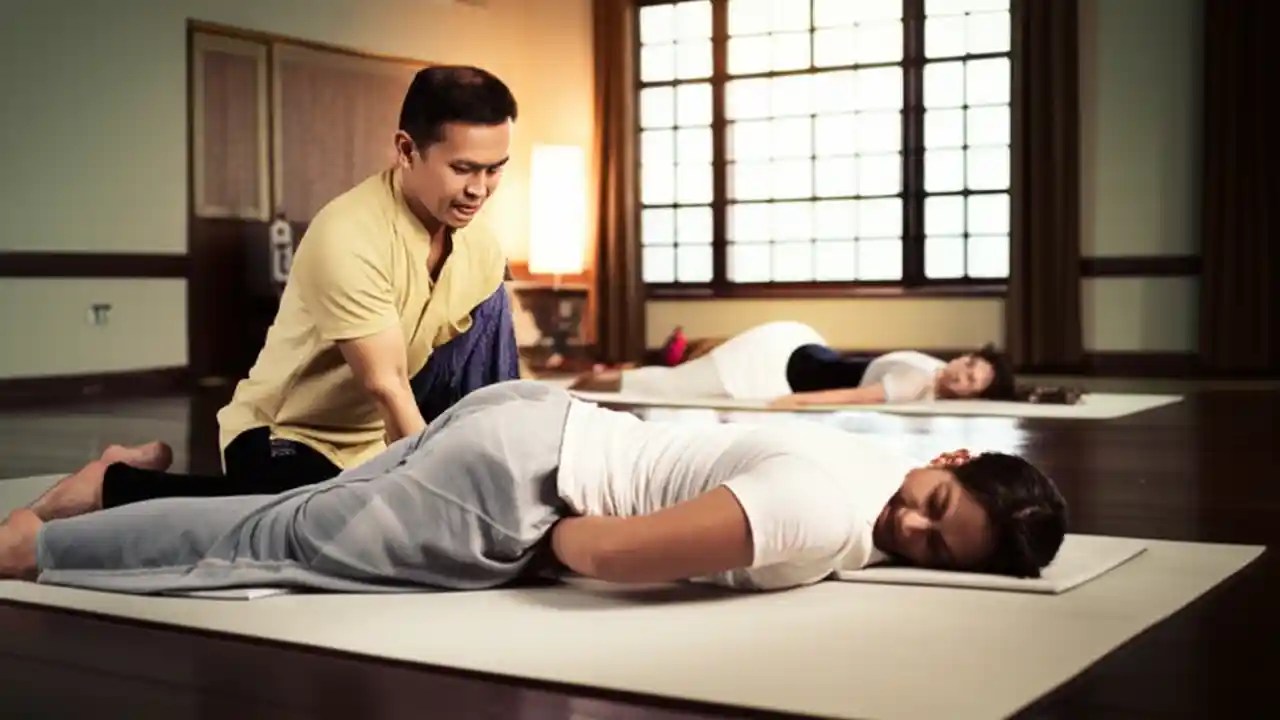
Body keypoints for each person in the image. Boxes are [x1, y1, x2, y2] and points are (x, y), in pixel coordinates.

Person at [0, 382, 1067, 595]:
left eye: (934, 548)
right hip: (519, 481)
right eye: (933, 507)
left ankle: (101, 497)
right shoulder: (826, 510)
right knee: (276, 549)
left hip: (524, 416)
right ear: (953, 459)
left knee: (291, 518)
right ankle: (32, 549)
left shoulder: (866, 453)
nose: (909, 527)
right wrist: (536, 551)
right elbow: (600, 555)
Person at [25, 66, 523, 523]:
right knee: (298, 521)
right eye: (463, 169)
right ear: (407, 150)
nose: (480, 189)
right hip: (291, 433)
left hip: (375, 438)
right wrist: (438, 492)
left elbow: (485, 383)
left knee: (490, 307)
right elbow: (387, 386)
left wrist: (503, 475)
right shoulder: (349, 233)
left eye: (494, 169)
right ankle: (111, 484)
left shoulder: (479, 245)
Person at [571, 321, 1016, 408]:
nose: (964, 375)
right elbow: (853, 396)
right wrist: (791, 405)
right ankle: (587, 381)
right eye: (970, 365)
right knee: (669, 386)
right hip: (775, 361)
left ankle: (604, 376)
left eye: (974, 381)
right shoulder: (918, 377)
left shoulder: (931, 374)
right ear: (964, 357)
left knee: (677, 381)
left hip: (804, 347)